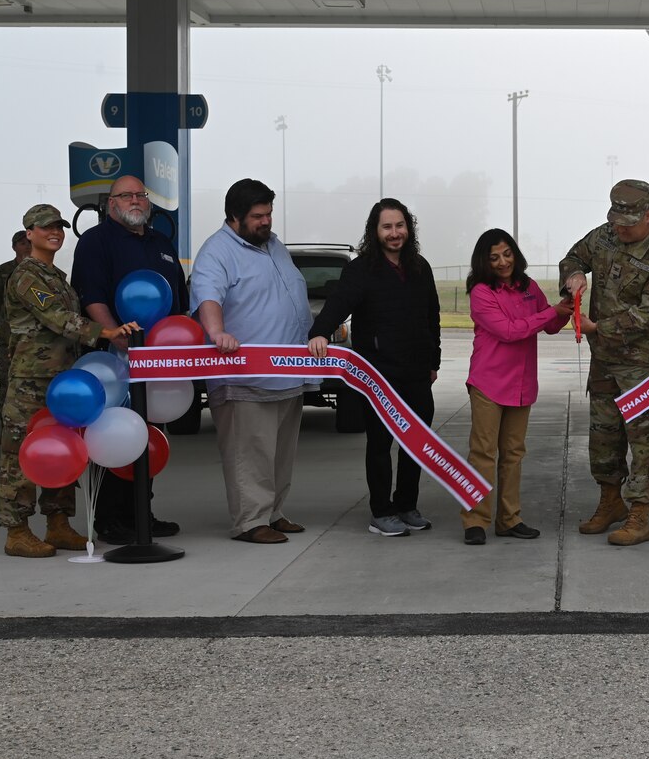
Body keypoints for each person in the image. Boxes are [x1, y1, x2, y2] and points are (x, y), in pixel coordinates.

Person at [0, 204, 136, 557]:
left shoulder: (55, 275)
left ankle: (58, 524)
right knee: (21, 455)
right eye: (45, 227)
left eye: (58, 226)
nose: (54, 232)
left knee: (64, 450)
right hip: (31, 381)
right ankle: (17, 531)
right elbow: (57, 318)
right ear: (29, 233)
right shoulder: (26, 275)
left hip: (63, 381)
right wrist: (104, 331)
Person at [559, 179, 649, 546]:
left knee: (642, 441)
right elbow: (573, 257)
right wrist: (575, 275)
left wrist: (601, 327)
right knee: (603, 435)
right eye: (617, 221)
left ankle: (639, 513)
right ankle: (610, 501)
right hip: (603, 363)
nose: (621, 229)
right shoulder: (605, 236)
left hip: (640, 367)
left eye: (629, 223)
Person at [190, 178, 314, 544]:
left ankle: (272, 513)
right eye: (258, 216)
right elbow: (207, 297)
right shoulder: (216, 252)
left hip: (287, 371)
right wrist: (216, 334)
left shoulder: (274, 246)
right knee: (249, 451)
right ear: (234, 217)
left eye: (269, 214)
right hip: (243, 374)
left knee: (279, 451)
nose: (266, 221)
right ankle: (250, 521)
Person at [308, 198, 441, 538]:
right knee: (380, 445)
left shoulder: (420, 267)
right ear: (375, 231)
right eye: (387, 227)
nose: (394, 233)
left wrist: (433, 361)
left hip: (416, 373)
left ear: (408, 228)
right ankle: (381, 512)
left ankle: (406, 505)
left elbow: (432, 317)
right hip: (379, 375)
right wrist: (320, 331)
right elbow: (338, 303)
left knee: (417, 442)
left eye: (399, 226)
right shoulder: (362, 269)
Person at [72, 175, 188, 544]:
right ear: (111, 204)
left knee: (149, 434)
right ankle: (109, 519)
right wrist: (116, 338)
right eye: (127, 195)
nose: (136, 200)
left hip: (155, 362)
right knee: (114, 433)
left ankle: (141, 514)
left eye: (141, 194)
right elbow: (92, 297)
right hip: (113, 360)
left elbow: (178, 304)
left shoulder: (162, 243)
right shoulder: (96, 242)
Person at [459, 229, 571, 545]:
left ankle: (509, 519)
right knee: (483, 453)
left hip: (521, 385)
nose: (503, 261)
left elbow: (548, 325)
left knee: (513, 453)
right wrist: (550, 312)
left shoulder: (528, 287)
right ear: (484, 262)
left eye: (507, 254)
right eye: (494, 257)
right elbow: (509, 332)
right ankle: (475, 521)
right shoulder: (481, 292)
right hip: (488, 383)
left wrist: (566, 307)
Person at [0, 229, 32, 422]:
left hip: (33, 340)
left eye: (29, 243)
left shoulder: (40, 270)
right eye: (22, 243)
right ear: (14, 247)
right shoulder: (2, 273)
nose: (26, 247)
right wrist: (3, 327)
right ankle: (5, 424)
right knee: (6, 380)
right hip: (9, 338)